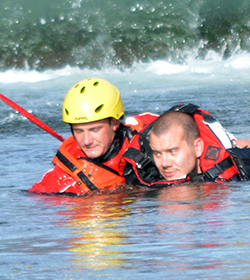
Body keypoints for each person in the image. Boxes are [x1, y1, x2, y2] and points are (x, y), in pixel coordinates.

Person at [29, 78, 158, 195]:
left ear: (114, 123)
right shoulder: (66, 176)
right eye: (79, 131)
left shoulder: (149, 131)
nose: (86, 141)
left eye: (95, 130)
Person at [123, 104, 250, 185]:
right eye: (158, 154)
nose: (164, 163)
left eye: (173, 151)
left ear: (197, 147)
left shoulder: (231, 154)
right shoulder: (148, 172)